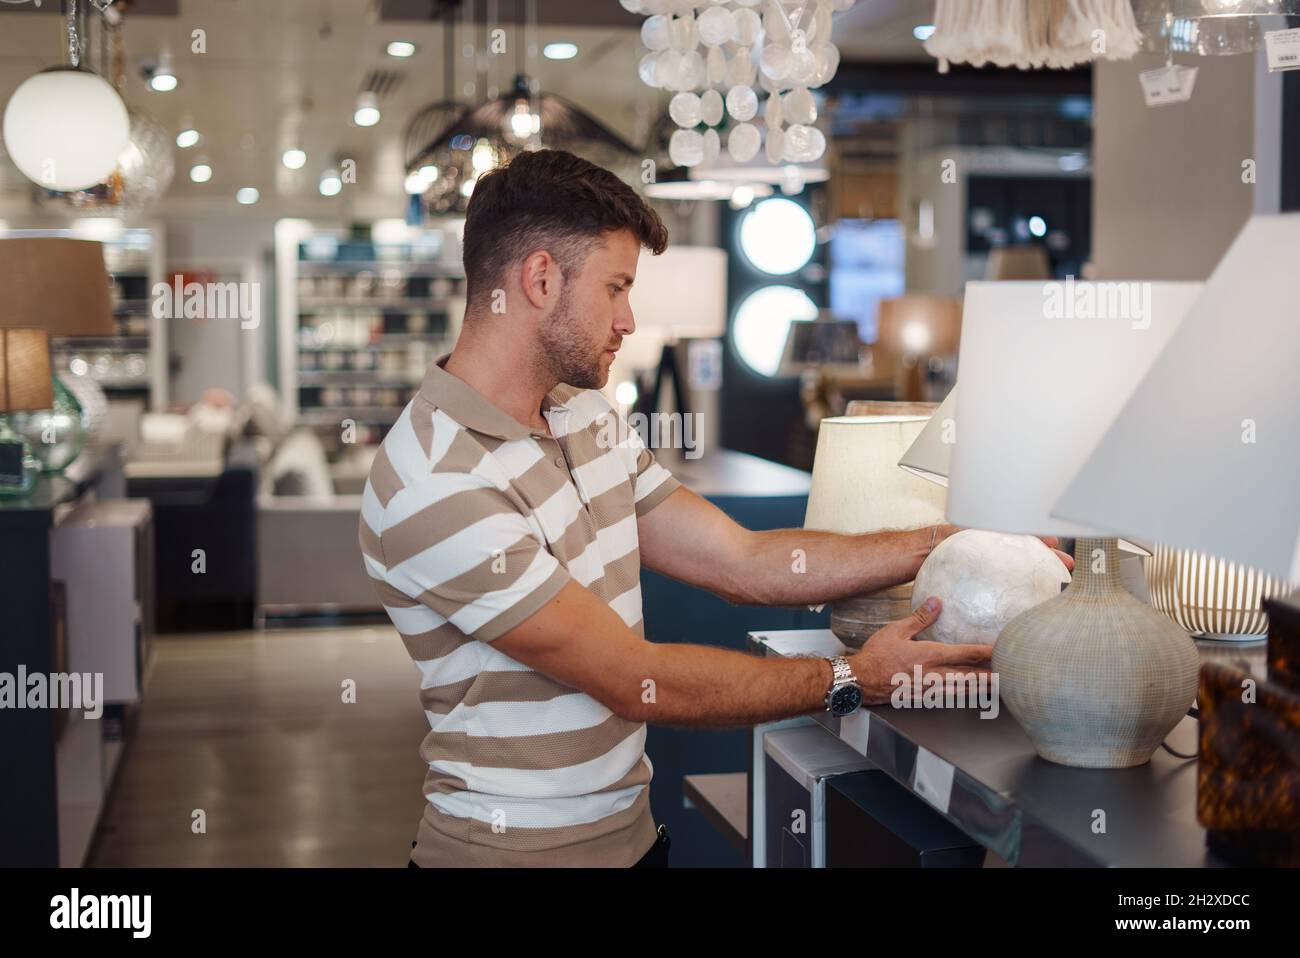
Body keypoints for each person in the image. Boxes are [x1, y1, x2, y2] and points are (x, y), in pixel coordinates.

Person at [359, 148, 1069, 868]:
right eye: (616, 288)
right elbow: (635, 678)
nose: (629, 320)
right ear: (541, 279)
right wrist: (852, 679)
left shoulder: (581, 417)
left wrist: (947, 542)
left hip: (631, 838)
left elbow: (743, 560)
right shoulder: (435, 479)